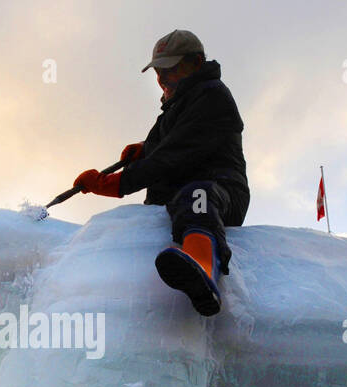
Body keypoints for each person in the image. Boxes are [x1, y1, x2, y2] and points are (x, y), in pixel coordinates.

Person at [71, 29, 248, 317]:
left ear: (197, 63)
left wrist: (113, 184)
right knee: (179, 200)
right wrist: (145, 148)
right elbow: (164, 149)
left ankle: (204, 267)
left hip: (220, 190)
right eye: (159, 71)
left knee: (197, 196)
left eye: (171, 68)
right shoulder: (174, 108)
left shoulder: (212, 95)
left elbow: (173, 157)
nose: (162, 78)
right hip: (179, 196)